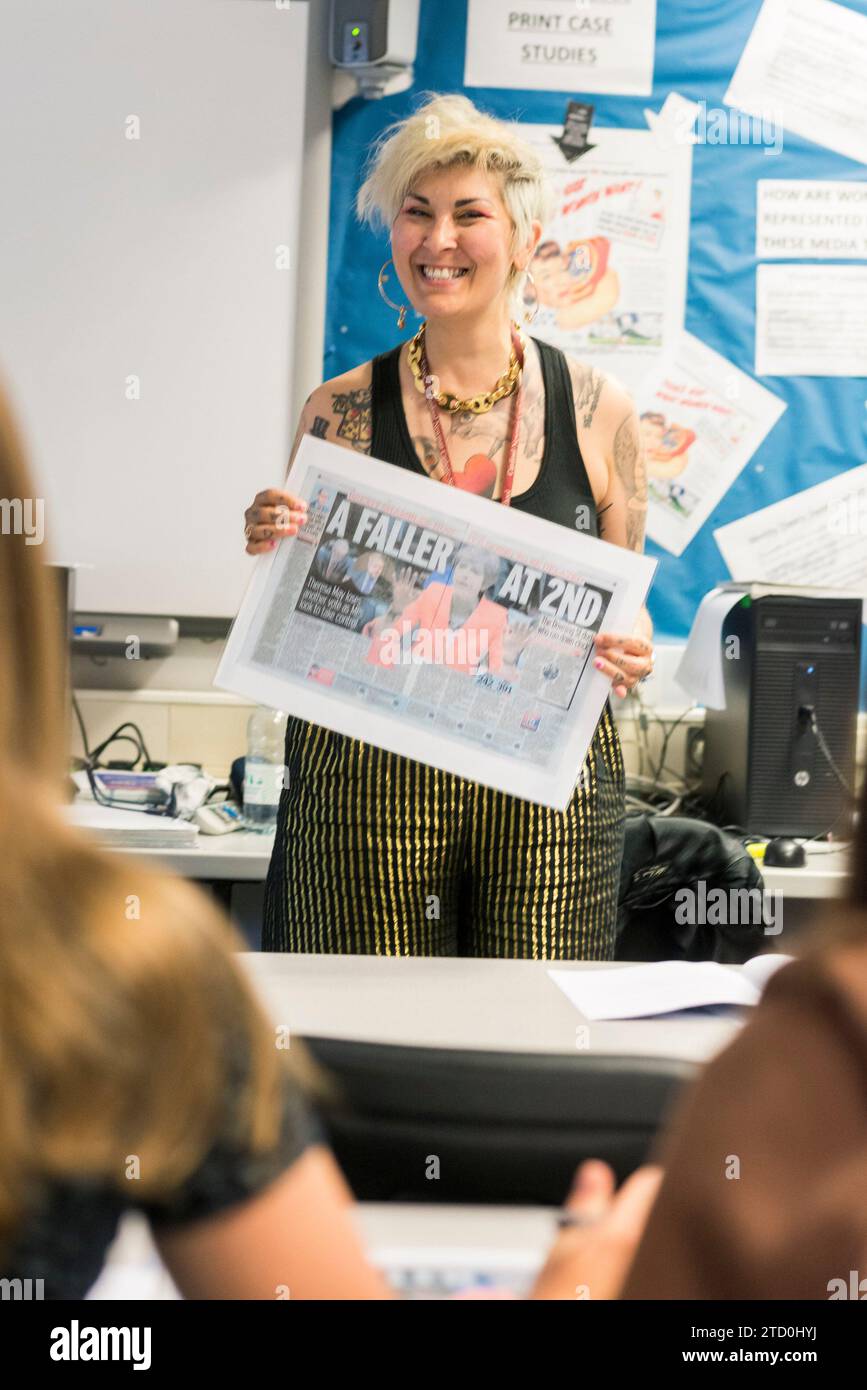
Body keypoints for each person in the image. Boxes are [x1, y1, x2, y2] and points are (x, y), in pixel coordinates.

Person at [244, 92, 654, 958]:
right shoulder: (342, 410)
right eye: (415, 215)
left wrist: (632, 644)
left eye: (469, 216)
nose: (437, 241)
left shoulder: (597, 410)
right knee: (366, 1026)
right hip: (366, 773)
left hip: (545, 776)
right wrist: (271, 536)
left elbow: (627, 596)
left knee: (532, 1034)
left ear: (524, 242)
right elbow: (298, 595)